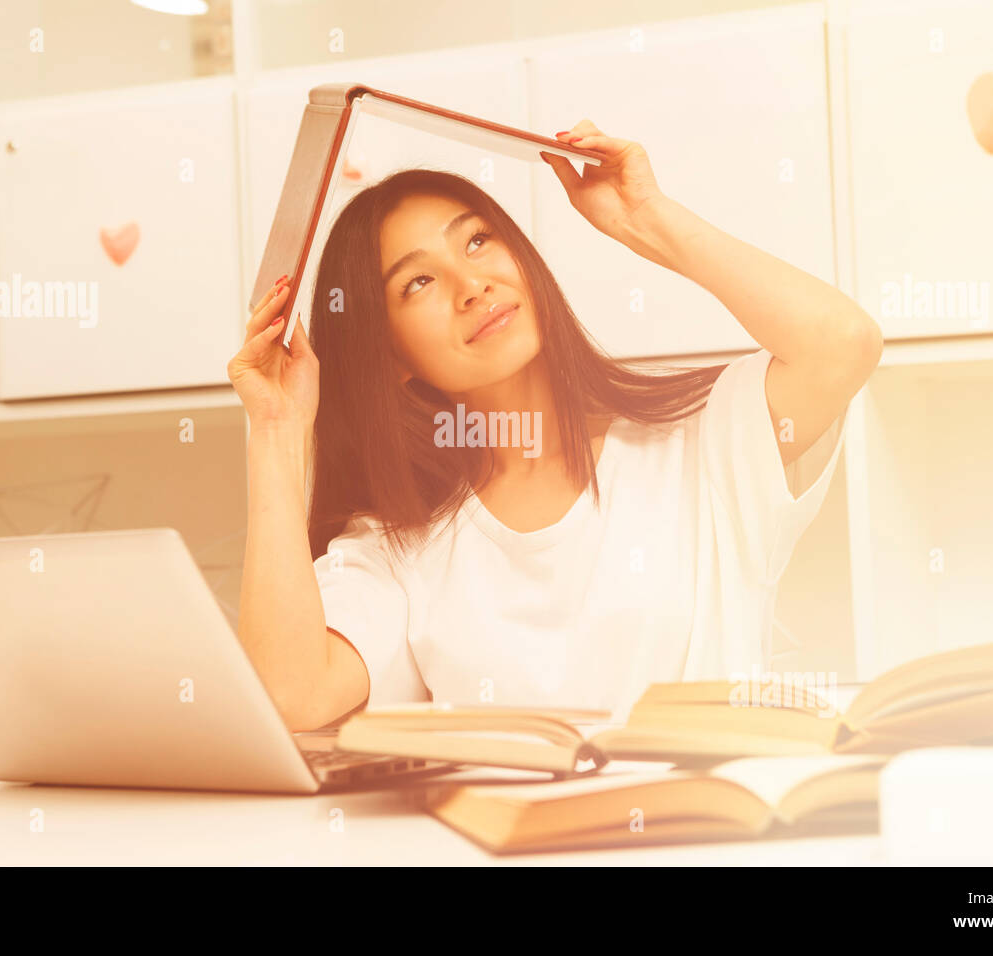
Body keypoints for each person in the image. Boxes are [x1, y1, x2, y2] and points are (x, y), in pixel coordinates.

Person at [227, 120, 882, 732]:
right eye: (419, 282)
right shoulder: (399, 549)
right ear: (391, 355)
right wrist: (278, 431)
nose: (471, 284)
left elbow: (843, 344)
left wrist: (645, 220)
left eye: (478, 241)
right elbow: (292, 694)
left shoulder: (702, 442)